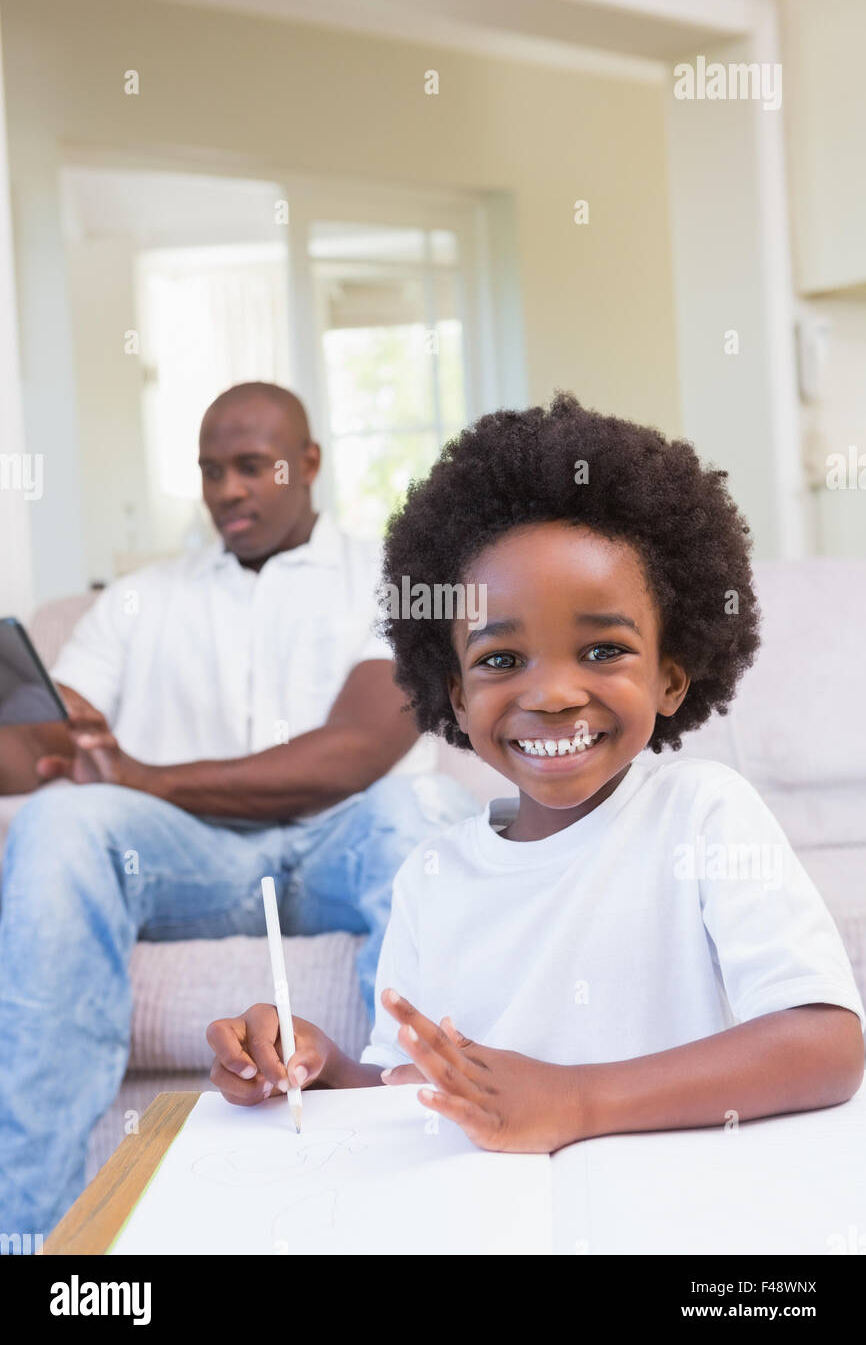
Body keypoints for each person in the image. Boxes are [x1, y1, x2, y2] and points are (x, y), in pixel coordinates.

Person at [208, 392, 865, 1155]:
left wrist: (576, 1099)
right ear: (456, 693)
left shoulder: (705, 815)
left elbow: (825, 1046)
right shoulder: (432, 874)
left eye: (602, 650)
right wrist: (321, 1070)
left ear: (671, 677)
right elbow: (423, 1092)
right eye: (500, 660)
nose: (551, 693)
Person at [0, 381, 475, 1237]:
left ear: (311, 464)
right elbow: (38, 759)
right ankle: (32, 1232)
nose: (227, 490)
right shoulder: (143, 598)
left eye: (251, 467)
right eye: (210, 471)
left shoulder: (397, 577)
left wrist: (147, 778)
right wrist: (28, 721)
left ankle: (425, 1191)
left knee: (421, 807)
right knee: (57, 824)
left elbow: (357, 751)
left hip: (348, 836)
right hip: (193, 860)